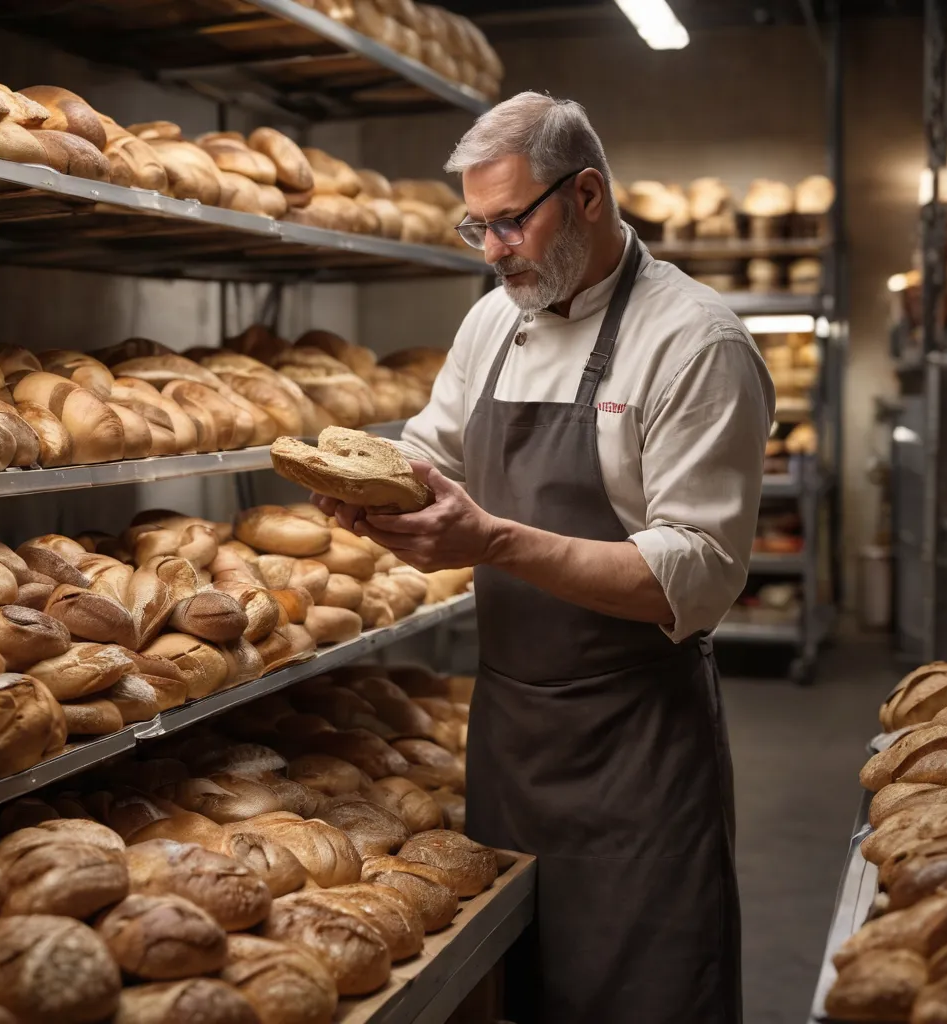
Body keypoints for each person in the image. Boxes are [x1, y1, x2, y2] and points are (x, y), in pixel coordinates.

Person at [312, 91, 774, 1024]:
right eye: (476, 225)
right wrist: (368, 482)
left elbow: (696, 573)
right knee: (516, 990)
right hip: (511, 736)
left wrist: (490, 539)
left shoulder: (694, 341)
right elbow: (435, 449)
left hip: (635, 749)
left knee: (642, 993)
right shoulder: (494, 322)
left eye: (511, 220)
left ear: (590, 193)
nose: (492, 249)